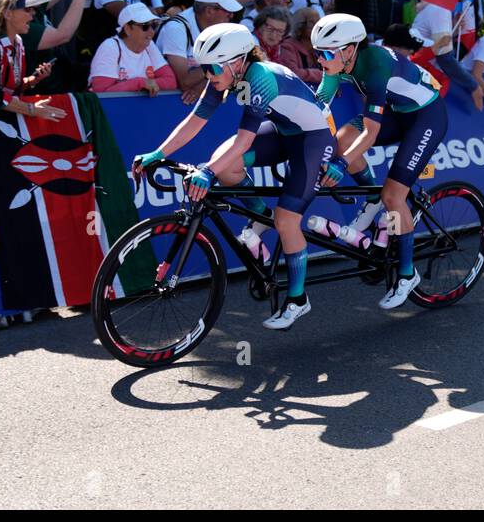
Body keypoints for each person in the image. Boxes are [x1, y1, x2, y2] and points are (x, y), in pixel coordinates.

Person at [134, 23, 337, 331]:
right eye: (203, 68)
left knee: (286, 220)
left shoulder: (261, 78)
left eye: (213, 68)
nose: (208, 75)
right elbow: (195, 120)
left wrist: (206, 172)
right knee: (225, 165)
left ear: (237, 61)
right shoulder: (224, 77)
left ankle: (297, 299)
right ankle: (260, 215)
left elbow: (243, 141)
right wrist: (158, 153)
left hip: (313, 138)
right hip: (284, 132)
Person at [310, 13, 447, 310]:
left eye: (326, 53)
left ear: (349, 49)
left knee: (394, 196)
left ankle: (407, 274)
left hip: (425, 117)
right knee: (341, 142)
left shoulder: (374, 66)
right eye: (316, 53)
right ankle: (372, 199)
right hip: (396, 113)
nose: (321, 60)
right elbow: (318, 104)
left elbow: (370, 134)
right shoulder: (338, 61)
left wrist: (342, 165)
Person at [155, 0, 245, 104]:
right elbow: (185, 82)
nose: (231, 15)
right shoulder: (176, 28)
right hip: (164, 103)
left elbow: (236, 74)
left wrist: (202, 85)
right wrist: (216, 65)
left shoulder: (221, 28)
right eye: (227, 11)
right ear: (209, 11)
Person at [89, 3, 177, 95]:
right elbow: (102, 94)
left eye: (154, 26)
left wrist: (146, 84)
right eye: (145, 26)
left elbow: (170, 81)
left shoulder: (149, 45)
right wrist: (139, 83)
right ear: (127, 29)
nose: (151, 31)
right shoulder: (110, 47)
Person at [278, 7, 324, 87]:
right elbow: (292, 74)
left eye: (318, 22)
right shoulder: (288, 46)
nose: (317, 27)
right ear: (300, 25)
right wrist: (320, 75)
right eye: (311, 22)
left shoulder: (319, 46)